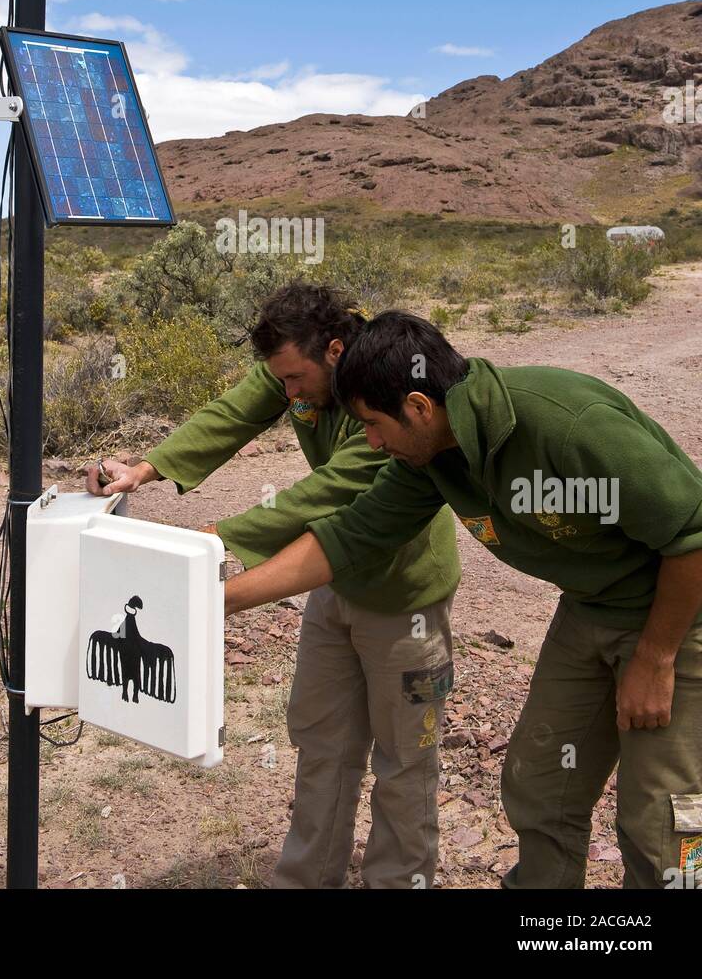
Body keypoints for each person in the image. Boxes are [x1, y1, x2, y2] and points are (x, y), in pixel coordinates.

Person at [223, 309, 702, 890]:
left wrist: (655, 657)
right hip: (590, 607)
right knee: (541, 786)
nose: (370, 442)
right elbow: (349, 535)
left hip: (680, 613)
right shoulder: (431, 457)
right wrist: (224, 598)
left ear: (420, 408)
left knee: (662, 818)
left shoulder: (568, 423)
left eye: (374, 425)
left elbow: (693, 535)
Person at [88, 282, 459, 888]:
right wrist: (144, 468)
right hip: (331, 582)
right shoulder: (299, 369)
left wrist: (216, 540)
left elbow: (323, 493)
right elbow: (231, 414)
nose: (286, 394)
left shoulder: (386, 396)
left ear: (336, 351)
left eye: (293, 380)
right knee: (322, 744)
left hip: (404, 597)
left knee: (405, 761)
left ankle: (398, 881)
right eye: (278, 380)